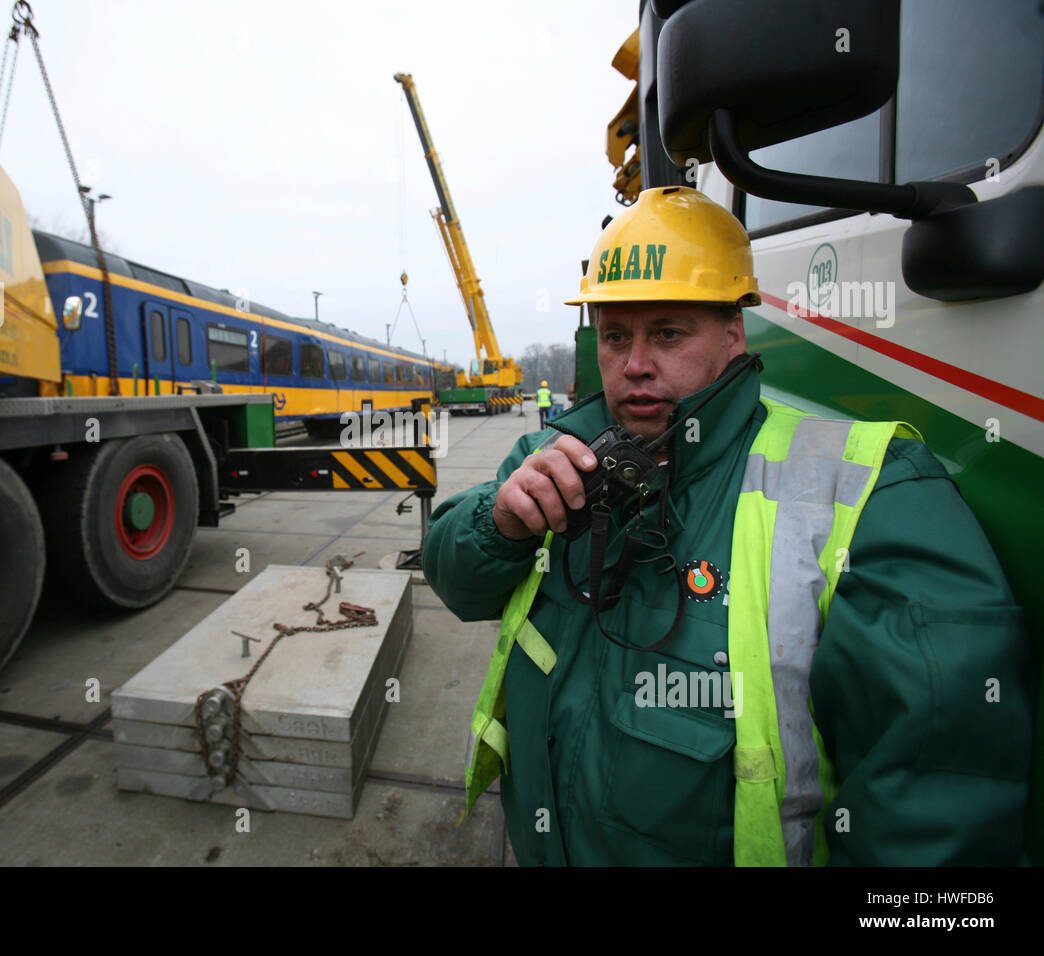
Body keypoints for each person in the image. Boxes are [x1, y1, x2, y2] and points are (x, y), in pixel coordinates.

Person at [423, 186, 1033, 866]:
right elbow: (455, 582)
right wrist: (498, 521)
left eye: (669, 333)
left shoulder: (868, 490)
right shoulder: (558, 453)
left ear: (733, 336)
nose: (635, 365)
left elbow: (938, 808)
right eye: (617, 336)